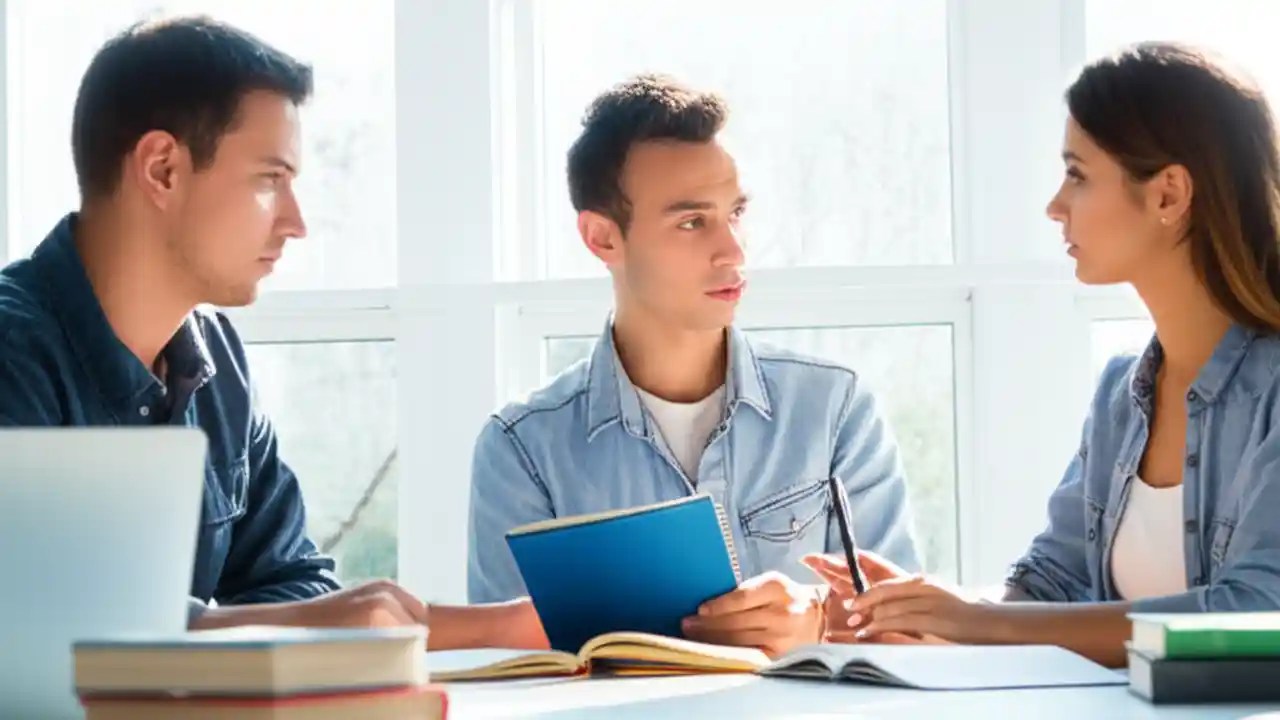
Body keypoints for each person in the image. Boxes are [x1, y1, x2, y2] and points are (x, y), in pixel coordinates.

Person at [0, 16, 545, 651]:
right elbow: (41, 624)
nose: (296, 222)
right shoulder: (15, 353)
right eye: (270, 179)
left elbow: (285, 580)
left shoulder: (216, 361)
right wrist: (320, 620)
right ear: (162, 169)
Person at [809, 42, 1280, 667]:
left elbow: (1255, 615)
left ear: (1168, 195)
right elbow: (1052, 583)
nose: (1055, 206)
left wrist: (979, 623)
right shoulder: (1123, 392)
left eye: (1078, 175)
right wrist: (930, 616)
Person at [468, 74, 919, 657]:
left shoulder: (836, 411)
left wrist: (815, 625)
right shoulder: (522, 452)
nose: (733, 250)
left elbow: (908, 633)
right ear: (603, 238)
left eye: (736, 213)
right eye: (691, 222)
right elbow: (511, 674)